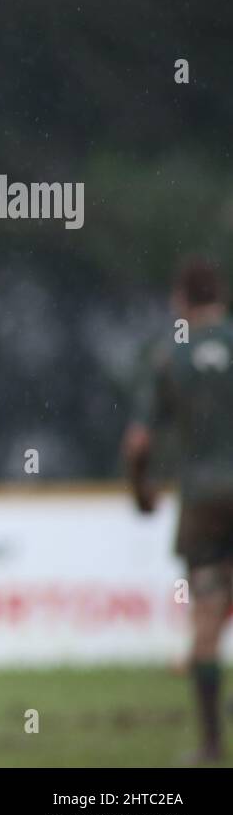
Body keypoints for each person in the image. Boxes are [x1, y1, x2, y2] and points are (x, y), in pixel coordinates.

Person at [124, 256, 233, 763]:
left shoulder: (171, 355)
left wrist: (140, 490)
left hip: (203, 498)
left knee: (208, 616)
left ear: (182, 300)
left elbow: (140, 441)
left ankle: (212, 744)